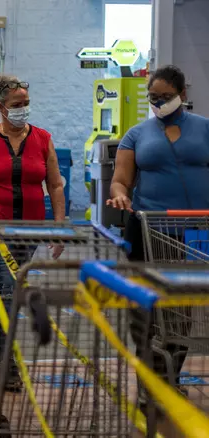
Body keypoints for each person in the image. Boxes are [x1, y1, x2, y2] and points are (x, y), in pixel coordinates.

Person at [107, 64, 209, 406]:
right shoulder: (137, 134)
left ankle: (171, 379)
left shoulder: (205, 130)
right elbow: (121, 179)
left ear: (182, 95)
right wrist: (120, 194)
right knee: (146, 308)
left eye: (166, 97)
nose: (159, 103)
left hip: (194, 231)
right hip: (148, 229)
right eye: (153, 97)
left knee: (181, 310)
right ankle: (149, 384)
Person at [0, 74, 65, 391]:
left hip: (30, 230)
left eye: (26, 104)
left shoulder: (41, 138)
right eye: (16, 105)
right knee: (6, 291)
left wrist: (59, 226)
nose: (23, 109)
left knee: (9, 294)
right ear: (0, 107)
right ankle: (6, 362)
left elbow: (54, 184)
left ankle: (1, 353)